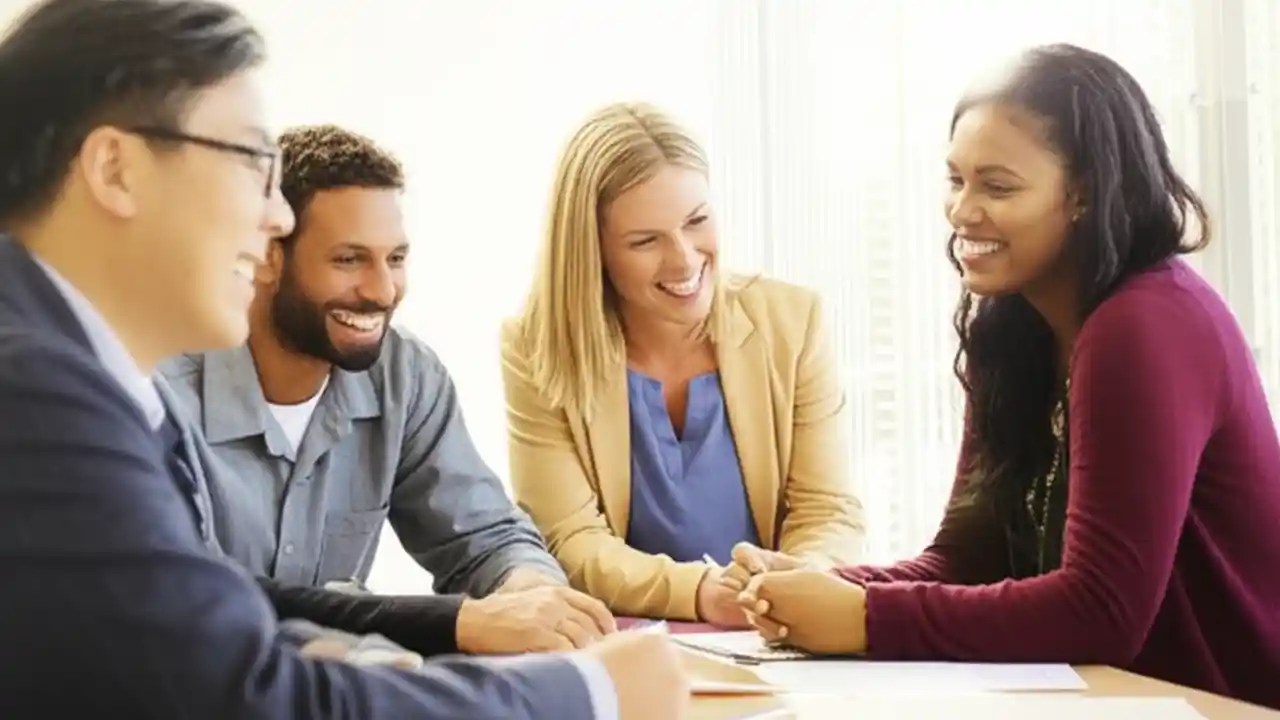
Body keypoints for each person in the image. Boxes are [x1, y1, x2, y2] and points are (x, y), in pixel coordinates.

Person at [0, 1, 689, 717]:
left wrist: (316, 650)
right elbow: (237, 695)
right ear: (116, 169)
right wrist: (585, 692)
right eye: (251, 163)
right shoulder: (35, 390)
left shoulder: (80, 374)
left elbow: (194, 632)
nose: (275, 217)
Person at [727, 44, 1280, 710]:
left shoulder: (1146, 324)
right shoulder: (1011, 323)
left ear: (1083, 193)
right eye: (955, 179)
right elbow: (964, 562)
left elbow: (1103, 612)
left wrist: (864, 617)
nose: (962, 210)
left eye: (997, 186)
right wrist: (827, 586)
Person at [160, 123, 617, 657]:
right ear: (267, 257)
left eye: (395, 259)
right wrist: (457, 623)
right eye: (349, 260)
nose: (381, 291)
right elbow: (203, 596)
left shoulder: (404, 376)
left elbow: (486, 538)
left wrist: (530, 594)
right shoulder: (159, 390)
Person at [500, 102, 865, 626]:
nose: (685, 260)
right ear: (593, 251)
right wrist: (700, 592)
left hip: (769, 634)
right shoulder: (536, 347)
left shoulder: (793, 322)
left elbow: (827, 507)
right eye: (645, 241)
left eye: (697, 221)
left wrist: (798, 580)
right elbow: (569, 540)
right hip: (625, 643)